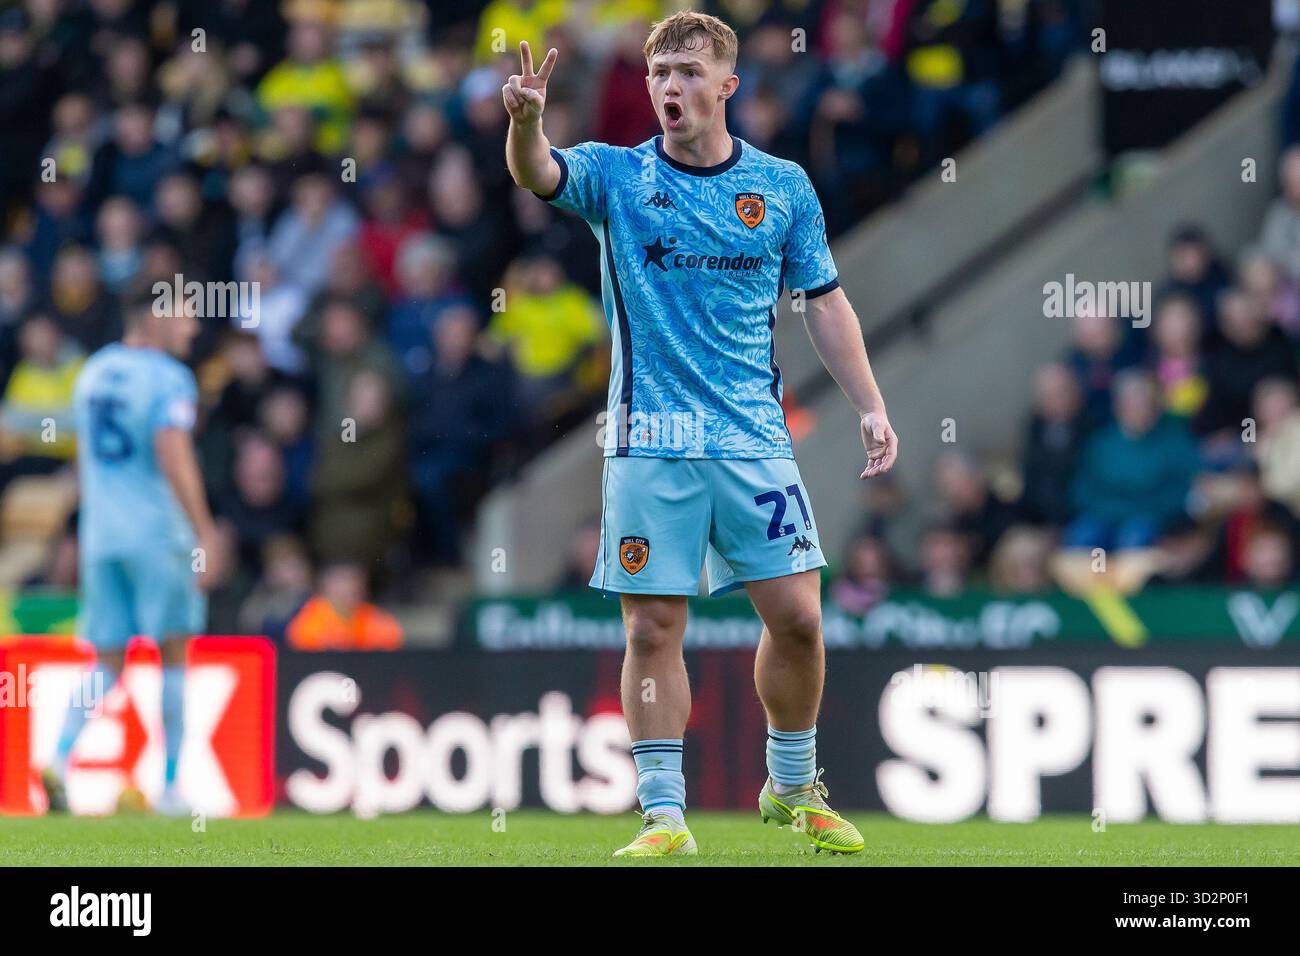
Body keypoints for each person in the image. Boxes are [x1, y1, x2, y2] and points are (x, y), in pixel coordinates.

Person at [502, 11, 899, 857]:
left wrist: (870, 403)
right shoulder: (614, 175)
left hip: (755, 439)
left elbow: (823, 301)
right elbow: (539, 173)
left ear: (728, 84)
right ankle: (663, 815)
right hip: (650, 440)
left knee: (798, 617)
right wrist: (529, 124)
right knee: (653, 628)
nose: (669, 87)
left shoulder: (784, 186)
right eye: (658, 74)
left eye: (687, 71)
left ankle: (792, 787)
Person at [52, 299, 221, 814]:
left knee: (105, 660)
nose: (192, 328)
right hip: (157, 535)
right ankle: (170, 787)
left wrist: (76, 532)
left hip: (103, 535)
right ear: (154, 315)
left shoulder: (92, 372)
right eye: (185, 315)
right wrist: (205, 530)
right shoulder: (169, 378)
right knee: (173, 653)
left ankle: (58, 760)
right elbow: (173, 451)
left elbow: (85, 462)